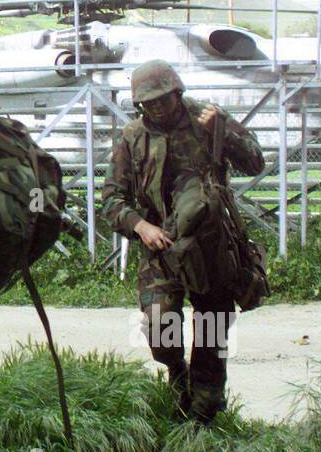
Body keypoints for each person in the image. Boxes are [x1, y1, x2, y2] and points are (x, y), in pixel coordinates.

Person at [99, 59, 265, 425]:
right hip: (161, 250)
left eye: (163, 99)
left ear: (178, 92)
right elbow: (111, 198)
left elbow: (255, 162)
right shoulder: (132, 137)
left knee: (211, 331)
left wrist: (227, 133)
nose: (157, 107)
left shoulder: (208, 120)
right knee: (160, 328)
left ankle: (206, 413)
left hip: (211, 249)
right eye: (149, 103)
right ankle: (176, 374)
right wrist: (140, 226)